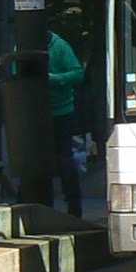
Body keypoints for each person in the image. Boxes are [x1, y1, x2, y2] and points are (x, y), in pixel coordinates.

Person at [47, 28, 87, 217]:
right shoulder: (21, 46)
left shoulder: (60, 46)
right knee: (40, 161)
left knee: (65, 159)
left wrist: (55, 79)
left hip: (62, 111)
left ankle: (74, 206)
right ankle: (42, 204)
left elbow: (78, 73)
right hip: (36, 113)